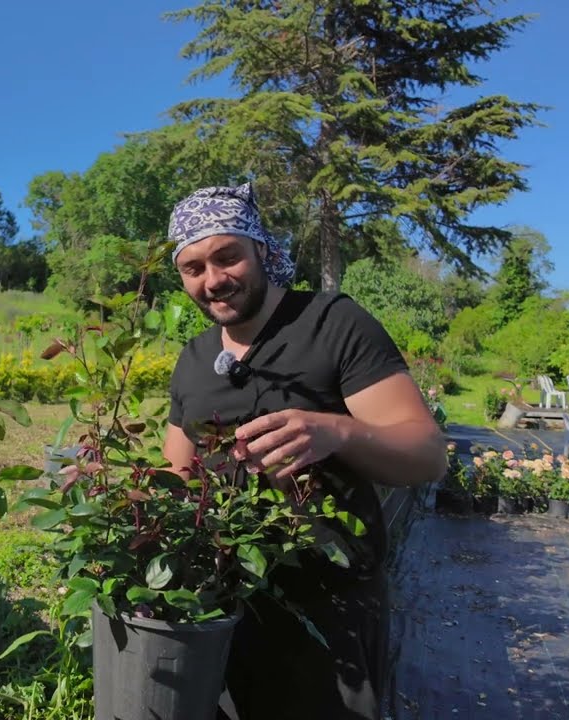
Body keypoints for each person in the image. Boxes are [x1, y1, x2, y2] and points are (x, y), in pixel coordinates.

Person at [160, 183, 446, 720]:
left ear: (261, 250)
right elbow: (175, 474)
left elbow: (427, 454)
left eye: (227, 257)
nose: (213, 280)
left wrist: (335, 432)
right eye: (193, 267)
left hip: (330, 609)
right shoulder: (194, 359)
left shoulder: (331, 323)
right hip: (221, 606)